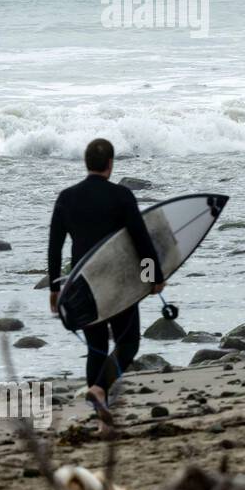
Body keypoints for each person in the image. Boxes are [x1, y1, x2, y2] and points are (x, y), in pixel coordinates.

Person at [47, 139, 163, 426]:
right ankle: (99, 390)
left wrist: (54, 287)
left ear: (86, 163)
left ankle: (100, 411)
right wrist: (152, 278)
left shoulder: (66, 197)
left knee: (96, 346)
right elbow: (141, 240)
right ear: (110, 164)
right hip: (118, 284)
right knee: (128, 343)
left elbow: (54, 246)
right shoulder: (121, 195)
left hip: (82, 285)